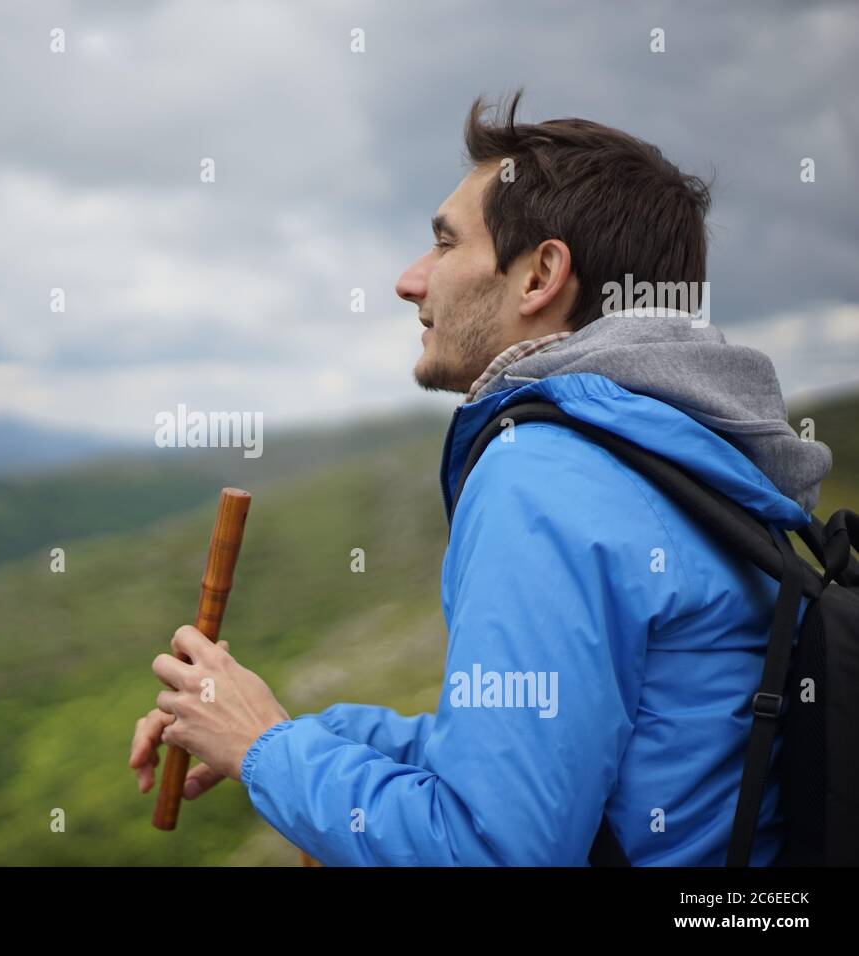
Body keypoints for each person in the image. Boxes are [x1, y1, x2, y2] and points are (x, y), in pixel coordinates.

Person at [127, 92, 832, 865]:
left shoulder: (545, 474)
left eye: (442, 243)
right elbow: (571, 756)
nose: (408, 280)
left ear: (539, 276)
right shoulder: (690, 451)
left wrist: (263, 750)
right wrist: (291, 732)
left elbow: (489, 851)